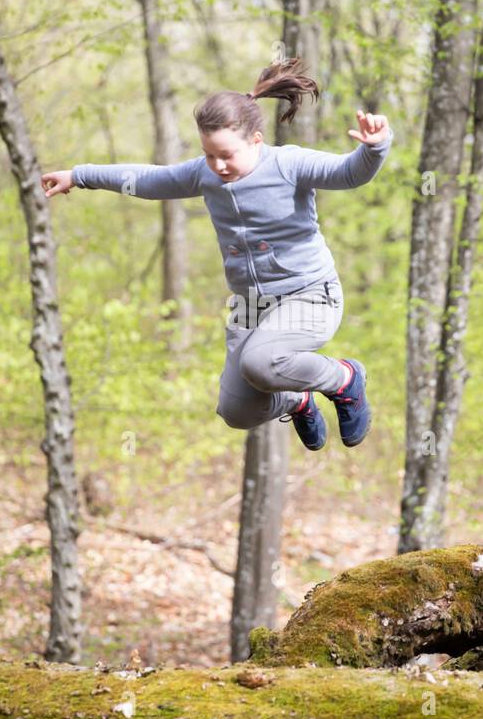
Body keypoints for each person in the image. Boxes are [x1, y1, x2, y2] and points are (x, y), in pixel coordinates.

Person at [41, 57, 392, 451]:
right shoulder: (205, 173)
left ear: (256, 140)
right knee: (236, 411)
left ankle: (345, 379)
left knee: (261, 362)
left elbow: (349, 173)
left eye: (227, 154)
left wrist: (374, 148)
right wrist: (79, 176)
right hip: (251, 307)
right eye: (209, 155)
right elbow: (148, 179)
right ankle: (297, 399)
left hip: (309, 295)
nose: (218, 166)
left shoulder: (289, 164)